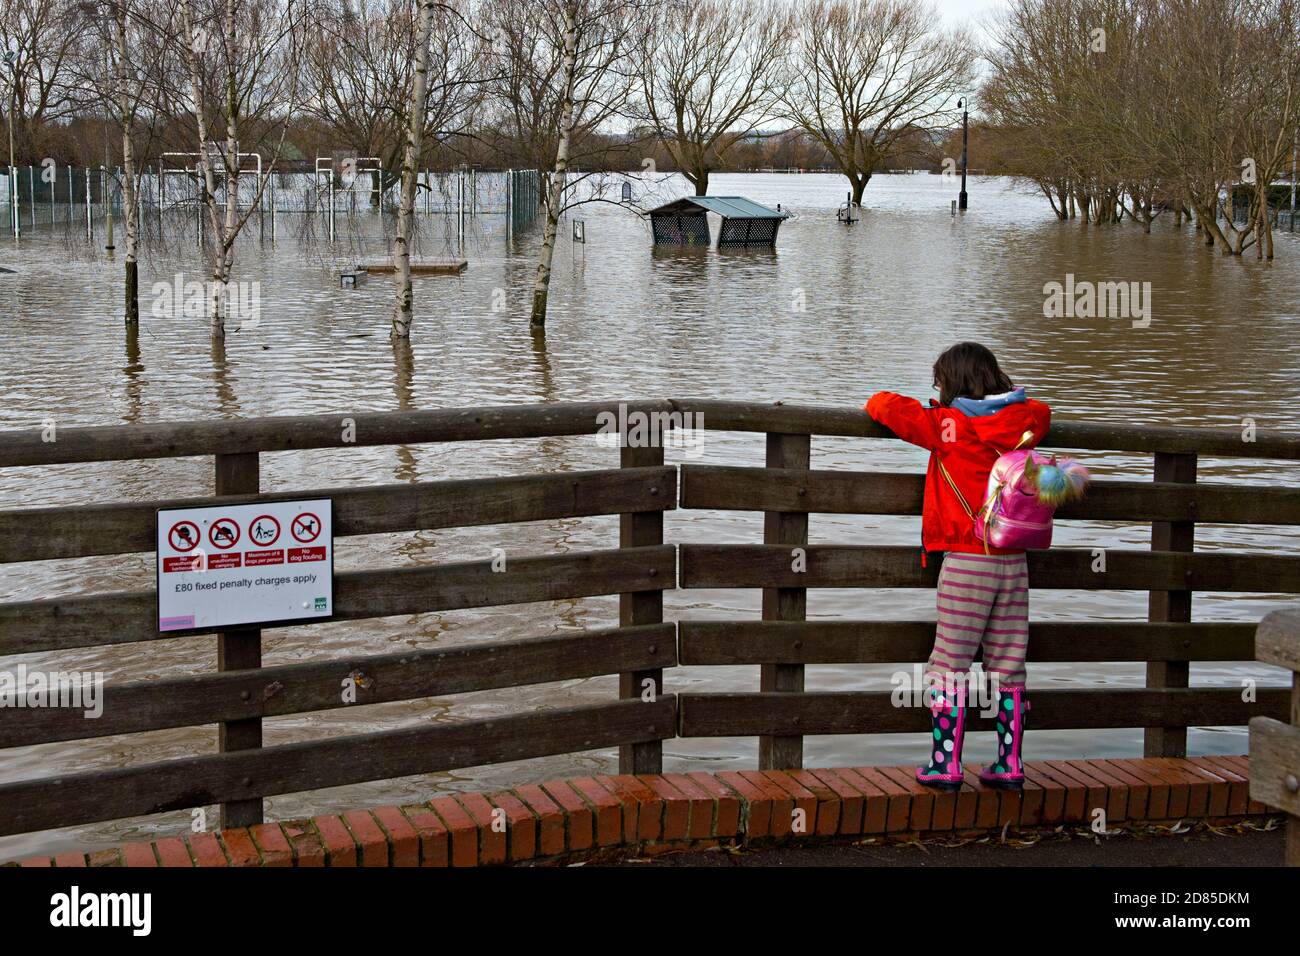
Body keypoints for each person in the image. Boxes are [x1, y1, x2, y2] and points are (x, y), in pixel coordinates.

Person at [864, 342, 1051, 792]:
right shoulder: (1025, 422)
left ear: (950, 382)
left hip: (967, 561)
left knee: (949, 664)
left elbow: (881, 405)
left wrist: (939, 407)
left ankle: (945, 764)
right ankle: (1010, 765)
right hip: (1014, 561)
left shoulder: (946, 425)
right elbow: (1041, 411)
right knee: (1009, 666)